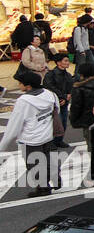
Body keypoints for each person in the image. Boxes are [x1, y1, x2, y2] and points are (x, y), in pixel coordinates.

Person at [0, 68, 61, 196]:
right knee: (48, 159)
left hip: (31, 139)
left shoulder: (23, 101)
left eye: (20, 83)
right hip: (48, 135)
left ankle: (43, 188)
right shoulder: (50, 94)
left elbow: (14, 126)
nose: (18, 85)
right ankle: (55, 177)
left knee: (34, 165)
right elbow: (57, 112)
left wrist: (2, 146)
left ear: (27, 86)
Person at [42, 53, 75, 148]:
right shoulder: (50, 75)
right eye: (65, 61)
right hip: (54, 103)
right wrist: (63, 97)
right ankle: (51, 142)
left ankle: (59, 140)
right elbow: (50, 87)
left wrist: (68, 96)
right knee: (55, 123)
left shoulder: (68, 75)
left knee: (63, 122)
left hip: (64, 102)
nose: (68, 62)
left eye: (68, 60)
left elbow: (71, 87)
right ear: (58, 63)